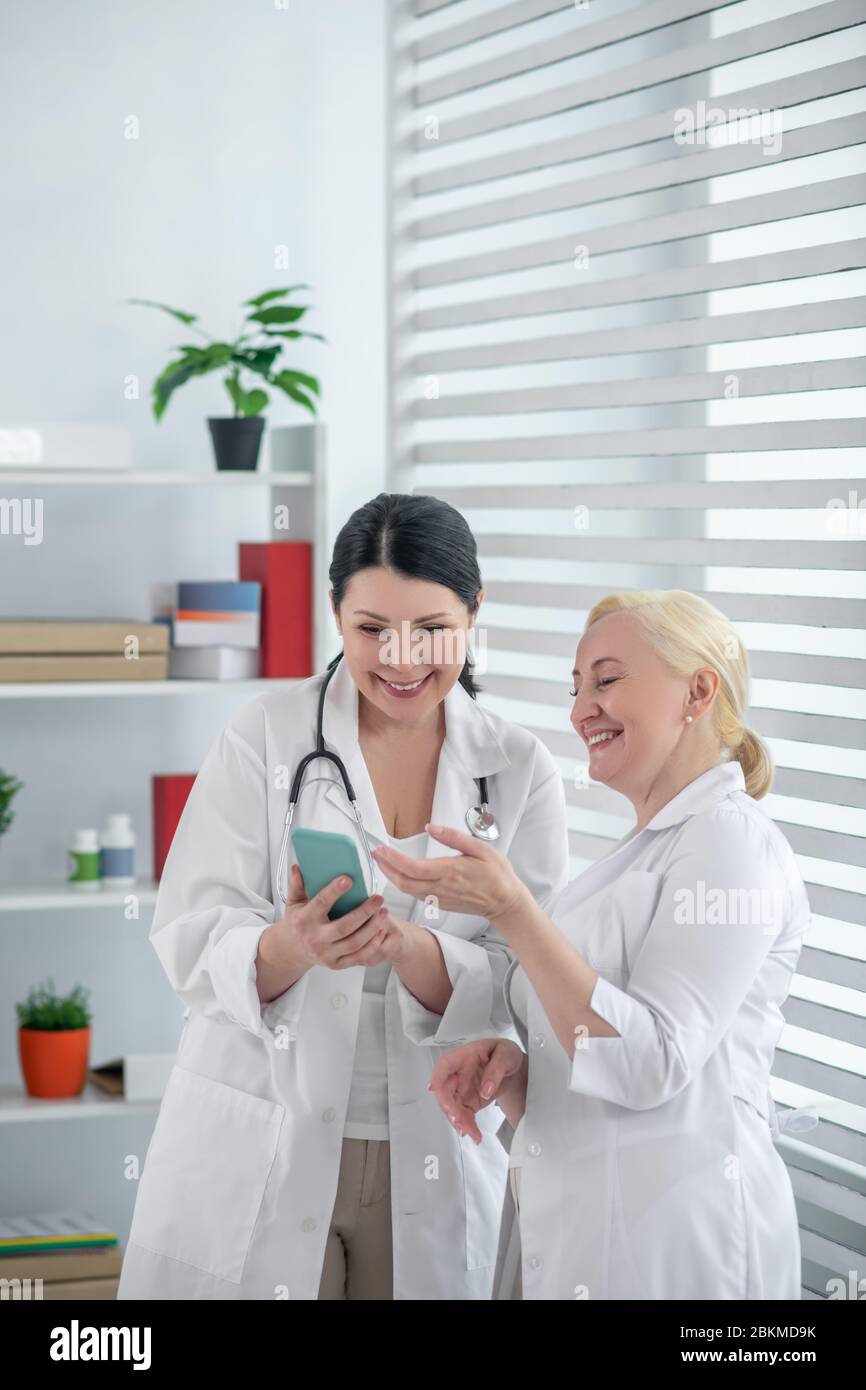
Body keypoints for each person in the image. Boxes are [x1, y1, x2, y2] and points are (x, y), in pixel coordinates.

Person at [116, 492, 569, 1301]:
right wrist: (291, 946)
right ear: (335, 613)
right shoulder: (265, 737)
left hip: (433, 1140)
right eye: (371, 630)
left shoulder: (519, 767)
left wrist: (410, 948)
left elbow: (528, 979)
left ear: (475, 611)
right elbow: (190, 931)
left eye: (432, 628)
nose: (401, 658)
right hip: (267, 1134)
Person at [372, 589, 812, 1300]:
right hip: (593, 1242)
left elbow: (652, 1062)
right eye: (576, 688)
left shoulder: (730, 845)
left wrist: (514, 910)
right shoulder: (639, 858)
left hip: (683, 1252)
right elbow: (602, 1055)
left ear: (698, 691)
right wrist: (521, 1077)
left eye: (607, 680)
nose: (580, 711)